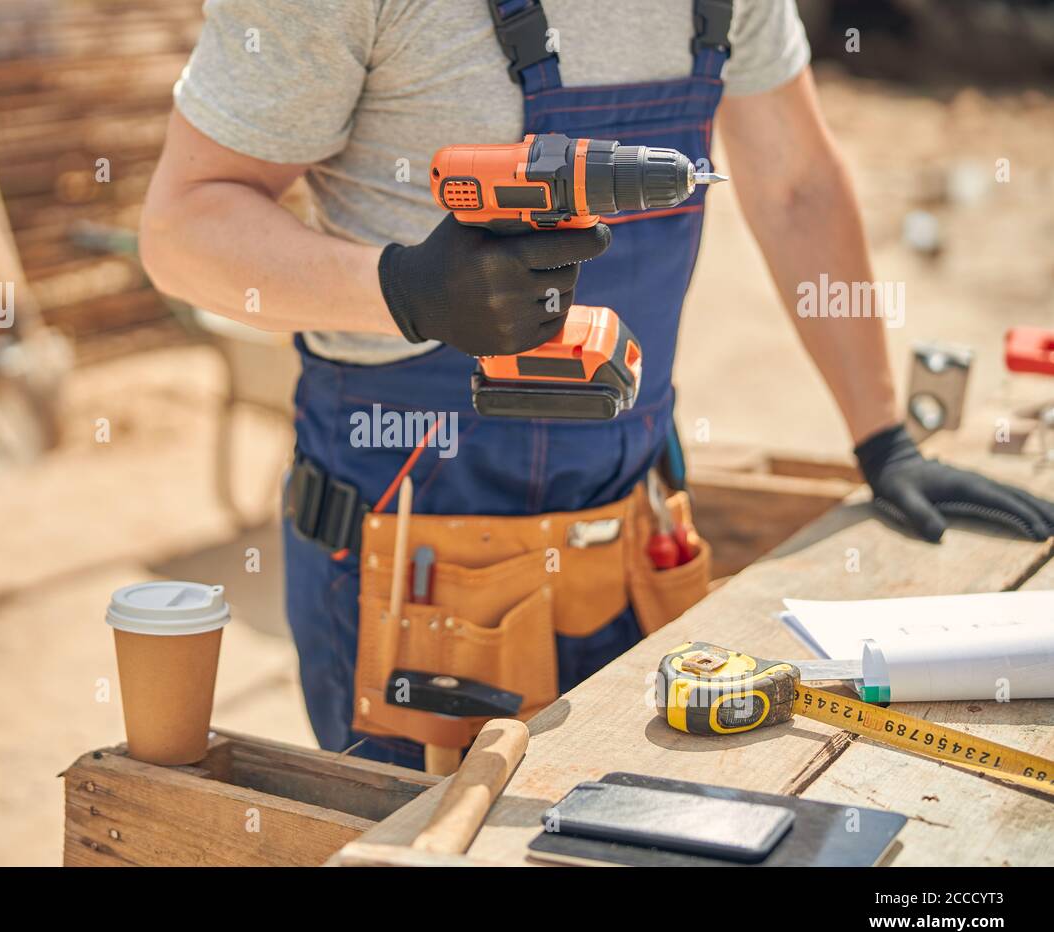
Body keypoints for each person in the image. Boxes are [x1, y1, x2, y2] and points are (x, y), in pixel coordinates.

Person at [139, 0, 1054, 768]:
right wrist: (405, 290)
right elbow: (181, 229)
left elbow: (796, 185)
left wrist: (881, 435)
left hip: (636, 523)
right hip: (411, 543)